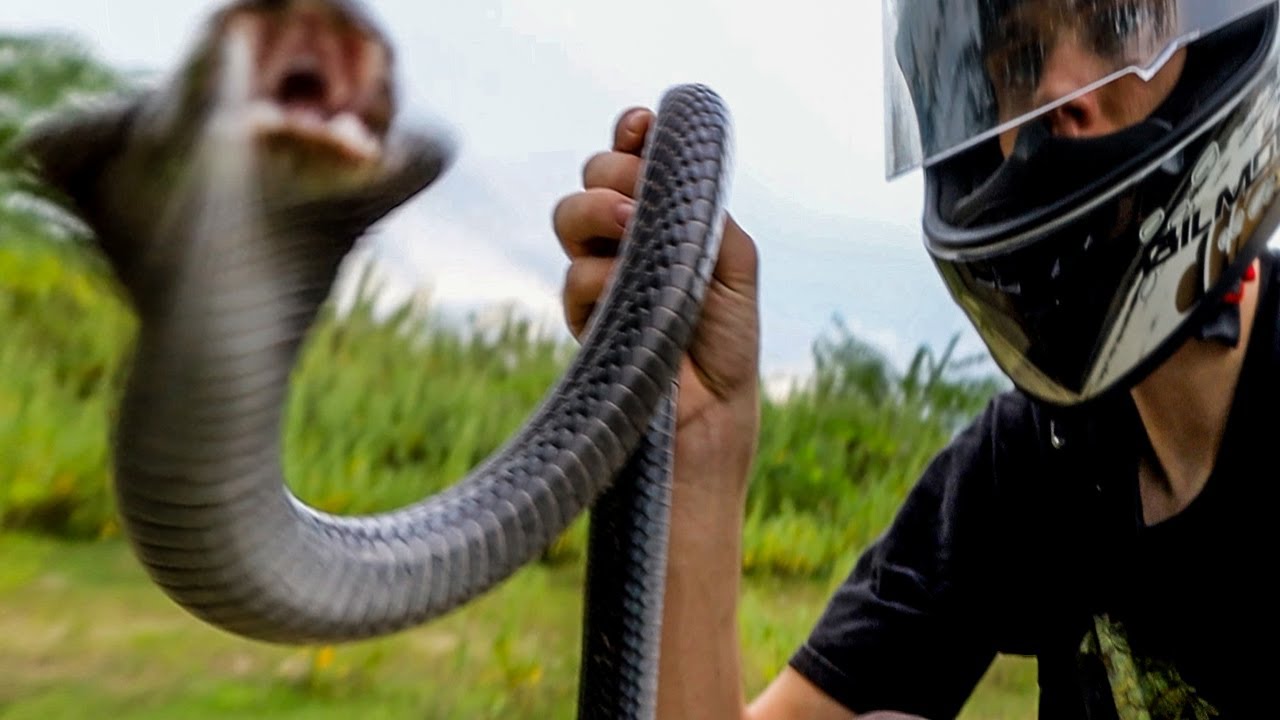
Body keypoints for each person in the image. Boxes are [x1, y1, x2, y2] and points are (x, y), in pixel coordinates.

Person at [553, 1, 1280, 717]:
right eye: (1019, 62)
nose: (1054, 91)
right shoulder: (1038, 456)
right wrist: (698, 440)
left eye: (1118, 23)